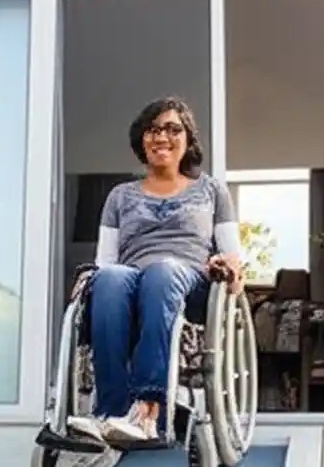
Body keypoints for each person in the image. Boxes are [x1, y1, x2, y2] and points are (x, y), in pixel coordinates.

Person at [68, 97, 243, 444]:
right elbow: (106, 259)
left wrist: (229, 266)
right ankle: (112, 412)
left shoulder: (211, 191)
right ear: (141, 141)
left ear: (188, 140)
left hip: (188, 283)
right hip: (131, 281)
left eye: (172, 129)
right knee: (109, 278)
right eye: (152, 130)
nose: (161, 136)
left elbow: (233, 255)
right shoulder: (120, 196)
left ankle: (150, 408)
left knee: (162, 272)